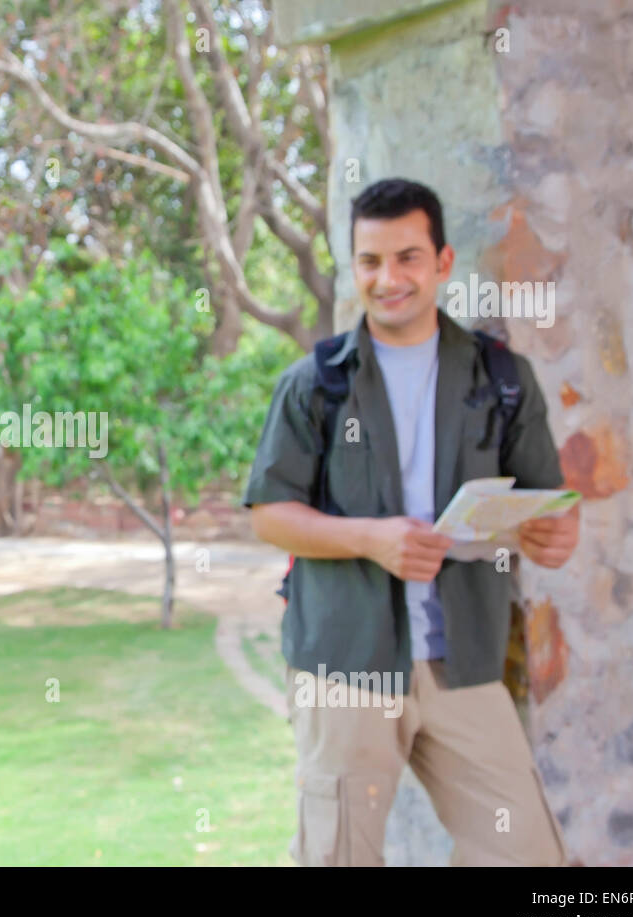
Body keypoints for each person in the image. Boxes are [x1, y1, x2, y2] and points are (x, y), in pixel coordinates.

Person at [243, 178, 579, 866]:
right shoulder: (315, 383)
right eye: (370, 261)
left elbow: (548, 506)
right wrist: (372, 540)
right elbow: (271, 516)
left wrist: (553, 536)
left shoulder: (503, 378)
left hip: (465, 663)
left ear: (442, 262)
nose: (388, 278)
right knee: (338, 857)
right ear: (354, 267)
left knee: (527, 854)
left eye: (407, 258)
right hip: (346, 666)